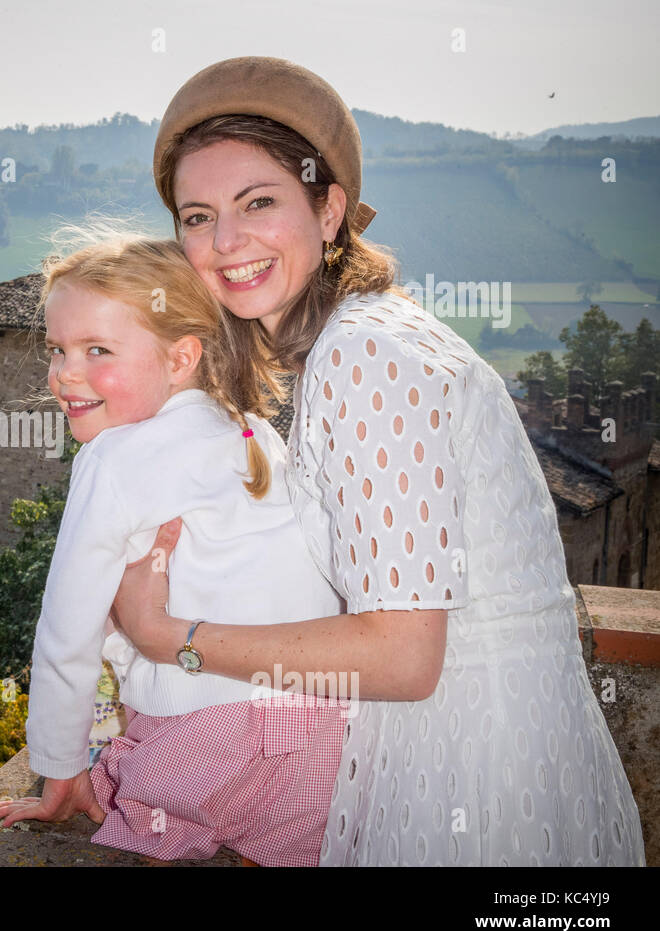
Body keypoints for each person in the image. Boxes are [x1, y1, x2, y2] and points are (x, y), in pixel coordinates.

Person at [107, 56, 646, 865]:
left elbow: (401, 655)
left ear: (329, 211)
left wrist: (166, 636)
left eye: (259, 203)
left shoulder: (367, 357)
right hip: (487, 758)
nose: (224, 243)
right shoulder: (365, 337)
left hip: (459, 777)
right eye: (196, 216)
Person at [0, 225, 348, 865]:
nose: (67, 374)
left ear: (181, 357)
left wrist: (59, 765)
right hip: (317, 726)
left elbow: (66, 632)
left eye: (97, 350)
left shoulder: (113, 458)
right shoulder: (253, 433)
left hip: (202, 736)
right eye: (57, 350)